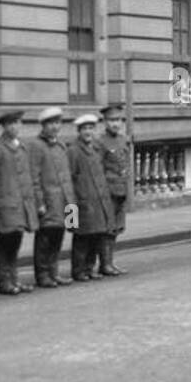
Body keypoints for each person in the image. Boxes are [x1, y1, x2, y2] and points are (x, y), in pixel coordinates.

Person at [0, 108, 38, 295]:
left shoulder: (22, 147)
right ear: (4, 126)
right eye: (10, 124)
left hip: (21, 205)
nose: (15, 127)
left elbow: (27, 178)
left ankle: (14, 279)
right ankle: (4, 281)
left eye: (17, 123)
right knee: (4, 244)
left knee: (15, 243)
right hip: (5, 205)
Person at [29, 107, 76, 288]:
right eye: (50, 123)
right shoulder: (36, 146)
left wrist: (72, 203)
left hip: (64, 202)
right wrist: (39, 203)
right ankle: (42, 275)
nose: (55, 127)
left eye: (57, 123)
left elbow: (67, 177)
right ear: (43, 125)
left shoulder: (61, 146)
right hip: (48, 202)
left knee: (59, 236)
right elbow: (34, 177)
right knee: (44, 240)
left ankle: (54, 272)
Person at [69, 114, 115, 282]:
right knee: (81, 239)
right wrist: (70, 214)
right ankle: (78, 270)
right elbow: (70, 180)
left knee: (96, 237)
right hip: (81, 203)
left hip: (98, 202)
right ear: (79, 131)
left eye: (91, 128)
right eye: (84, 129)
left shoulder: (96, 149)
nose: (88, 132)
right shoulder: (73, 151)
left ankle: (89, 268)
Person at [98, 104, 130, 276]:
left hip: (121, 190)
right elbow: (98, 169)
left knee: (117, 227)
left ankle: (110, 262)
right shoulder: (100, 142)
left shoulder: (123, 139)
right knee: (106, 229)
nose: (115, 124)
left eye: (118, 120)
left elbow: (125, 165)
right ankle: (104, 264)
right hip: (108, 192)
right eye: (111, 120)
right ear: (105, 122)